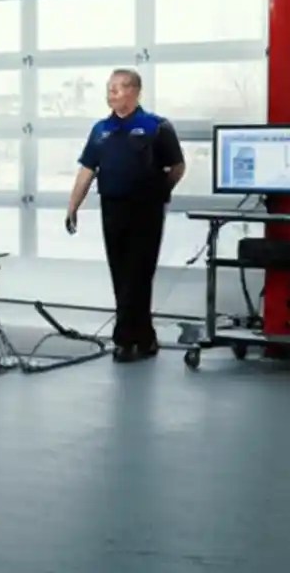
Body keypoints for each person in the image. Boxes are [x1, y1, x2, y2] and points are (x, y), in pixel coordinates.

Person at [65, 69, 186, 362]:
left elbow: (177, 167)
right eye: (109, 89)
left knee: (139, 273)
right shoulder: (101, 130)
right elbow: (86, 171)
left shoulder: (157, 126)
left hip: (145, 210)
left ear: (135, 91)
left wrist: (158, 193)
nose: (111, 94)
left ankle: (125, 339)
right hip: (113, 208)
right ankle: (143, 338)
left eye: (118, 88)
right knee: (120, 272)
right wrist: (73, 206)